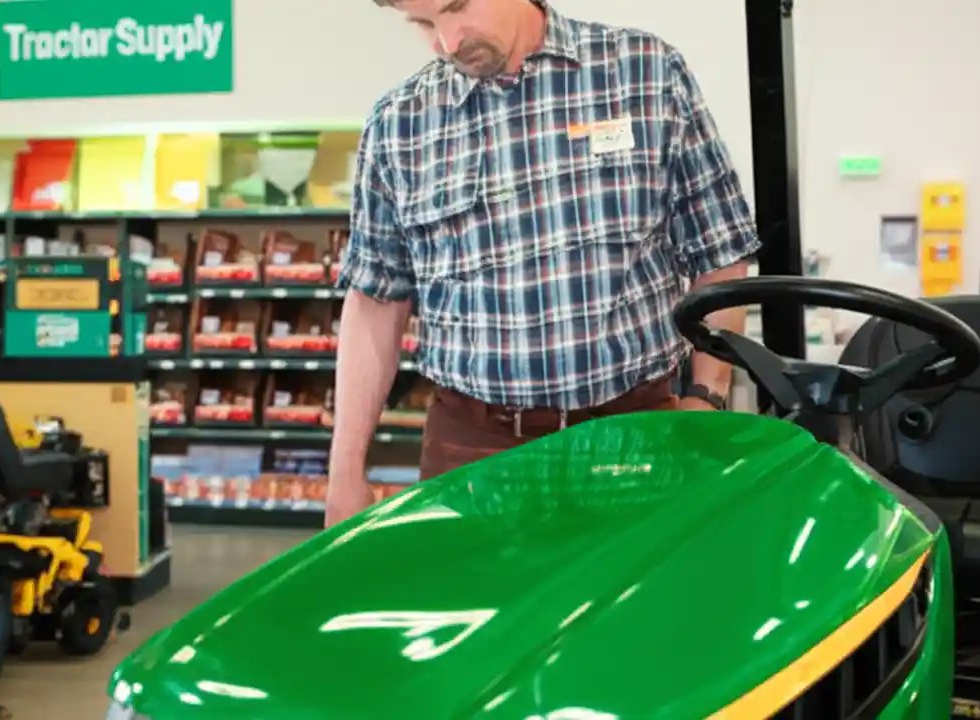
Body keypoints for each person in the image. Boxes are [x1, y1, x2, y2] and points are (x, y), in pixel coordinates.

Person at [325, 0, 760, 526]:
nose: (447, 41)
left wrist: (705, 399)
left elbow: (720, 250)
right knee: (483, 605)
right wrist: (345, 470)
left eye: (456, 7)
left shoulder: (645, 72)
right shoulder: (399, 124)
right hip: (473, 447)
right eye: (422, 23)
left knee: (633, 603)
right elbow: (375, 302)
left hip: (635, 430)